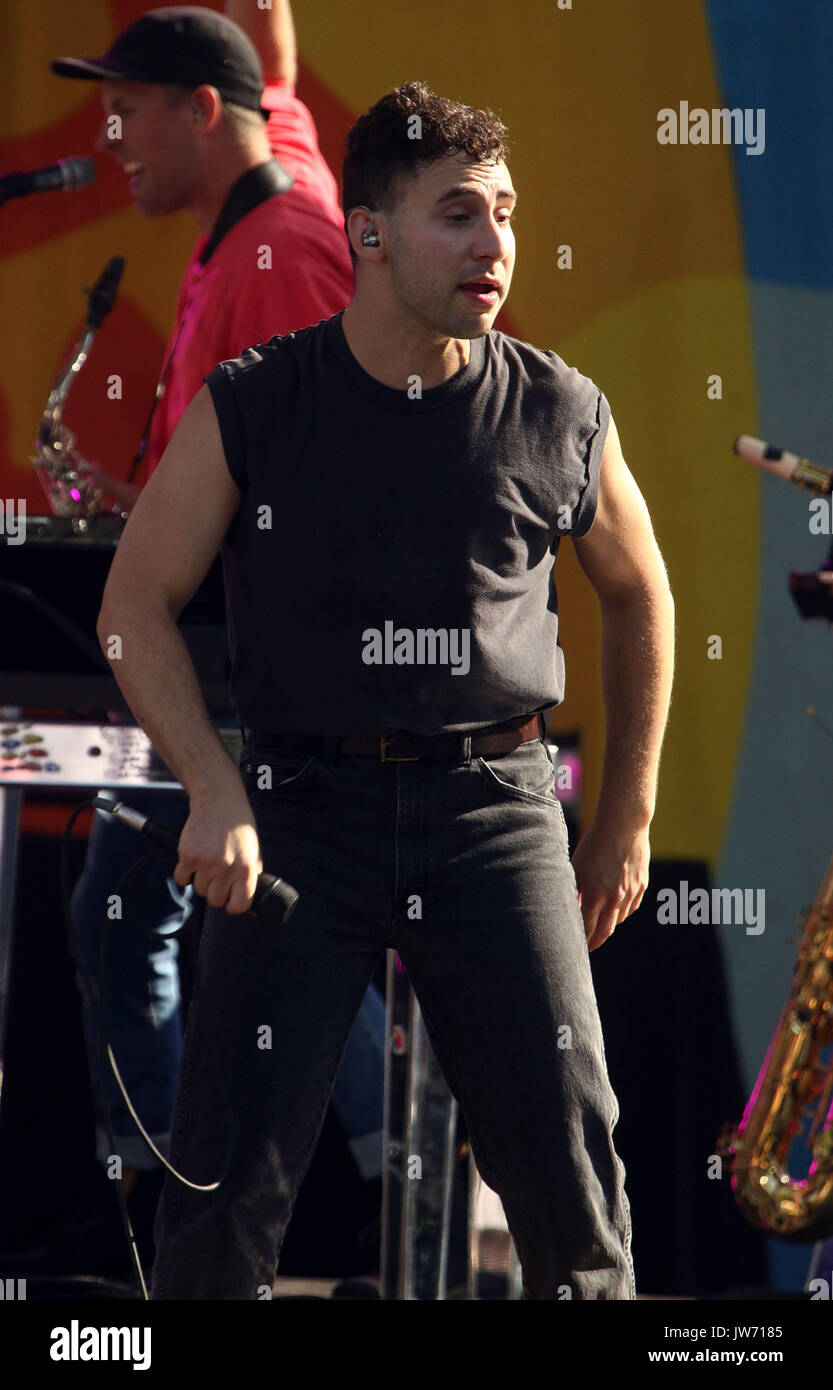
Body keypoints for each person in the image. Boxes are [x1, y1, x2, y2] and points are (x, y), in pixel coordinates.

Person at [98, 79, 675, 1300]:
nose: (494, 244)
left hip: (496, 810)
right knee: (218, 1202)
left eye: (506, 213)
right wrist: (213, 787)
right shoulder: (257, 402)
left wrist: (623, 814)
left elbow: (640, 593)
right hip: (300, 808)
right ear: (365, 231)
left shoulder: (558, 406)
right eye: (456, 213)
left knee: (577, 1207)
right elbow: (131, 606)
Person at [5, 5, 387, 1282]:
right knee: (235, 922)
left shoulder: (285, 243)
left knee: (148, 908)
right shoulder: (242, 224)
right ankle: (200, 1211)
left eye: (130, 105)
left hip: (266, 678)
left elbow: (336, 486)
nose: (107, 134)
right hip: (227, 664)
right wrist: (141, 516)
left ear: (200, 112)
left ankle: (169, 1218)